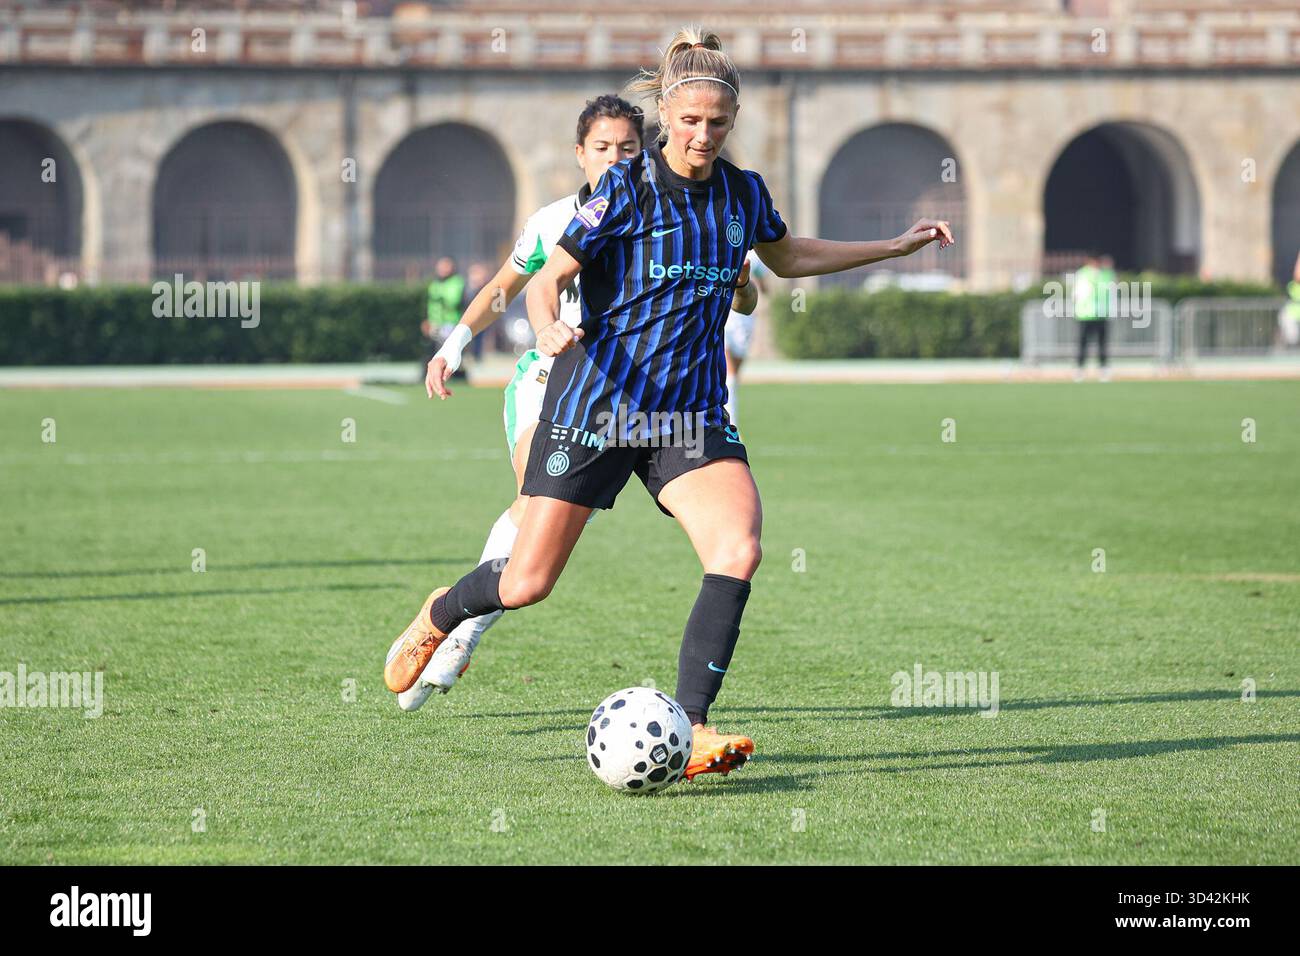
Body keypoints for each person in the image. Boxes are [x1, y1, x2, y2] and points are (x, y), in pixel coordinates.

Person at [384, 27, 952, 779]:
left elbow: (787, 258)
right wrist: (549, 324)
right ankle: (442, 612)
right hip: (597, 404)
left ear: (732, 119)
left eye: (718, 123)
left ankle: (693, 727)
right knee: (525, 582)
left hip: (688, 415)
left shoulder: (744, 194)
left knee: (738, 548)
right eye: (689, 121)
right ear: (668, 115)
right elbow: (550, 276)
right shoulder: (627, 187)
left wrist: (889, 247)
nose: (703, 135)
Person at [389, 94, 670, 711]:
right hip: (546, 383)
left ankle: (459, 617)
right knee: (533, 493)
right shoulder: (553, 221)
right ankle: (460, 634)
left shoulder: (663, 220)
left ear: (644, 152)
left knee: (560, 523)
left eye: (628, 147)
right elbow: (502, 289)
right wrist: (453, 346)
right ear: (580, 154)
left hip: (618, 395)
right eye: (602, 148)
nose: (615, 158)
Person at [723, 249, 767, 427]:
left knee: (733, 374)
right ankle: (731, 422)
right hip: (729, 317)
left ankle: (727, 418)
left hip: (744, 317)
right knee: (730, 371)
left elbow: (763, 286)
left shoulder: (755, 257)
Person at [422, 256, 466, 379]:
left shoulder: (457, 282)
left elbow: (455, 302)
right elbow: (429, 304)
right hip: (434, 323)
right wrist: (426, 320)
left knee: (450, 352)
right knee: (431, 352)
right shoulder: (435, 283)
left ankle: (457, 376)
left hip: (450, 323)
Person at [1073, 253, 1113, 382]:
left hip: (1101, 314)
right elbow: (1077, 294)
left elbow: (1111, 293)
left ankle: (1103, 370)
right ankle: (1080, 370)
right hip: (1085, 314)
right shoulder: (1082, 274)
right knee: (1083, 344)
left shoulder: (1106, 274)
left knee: (1102, 344)